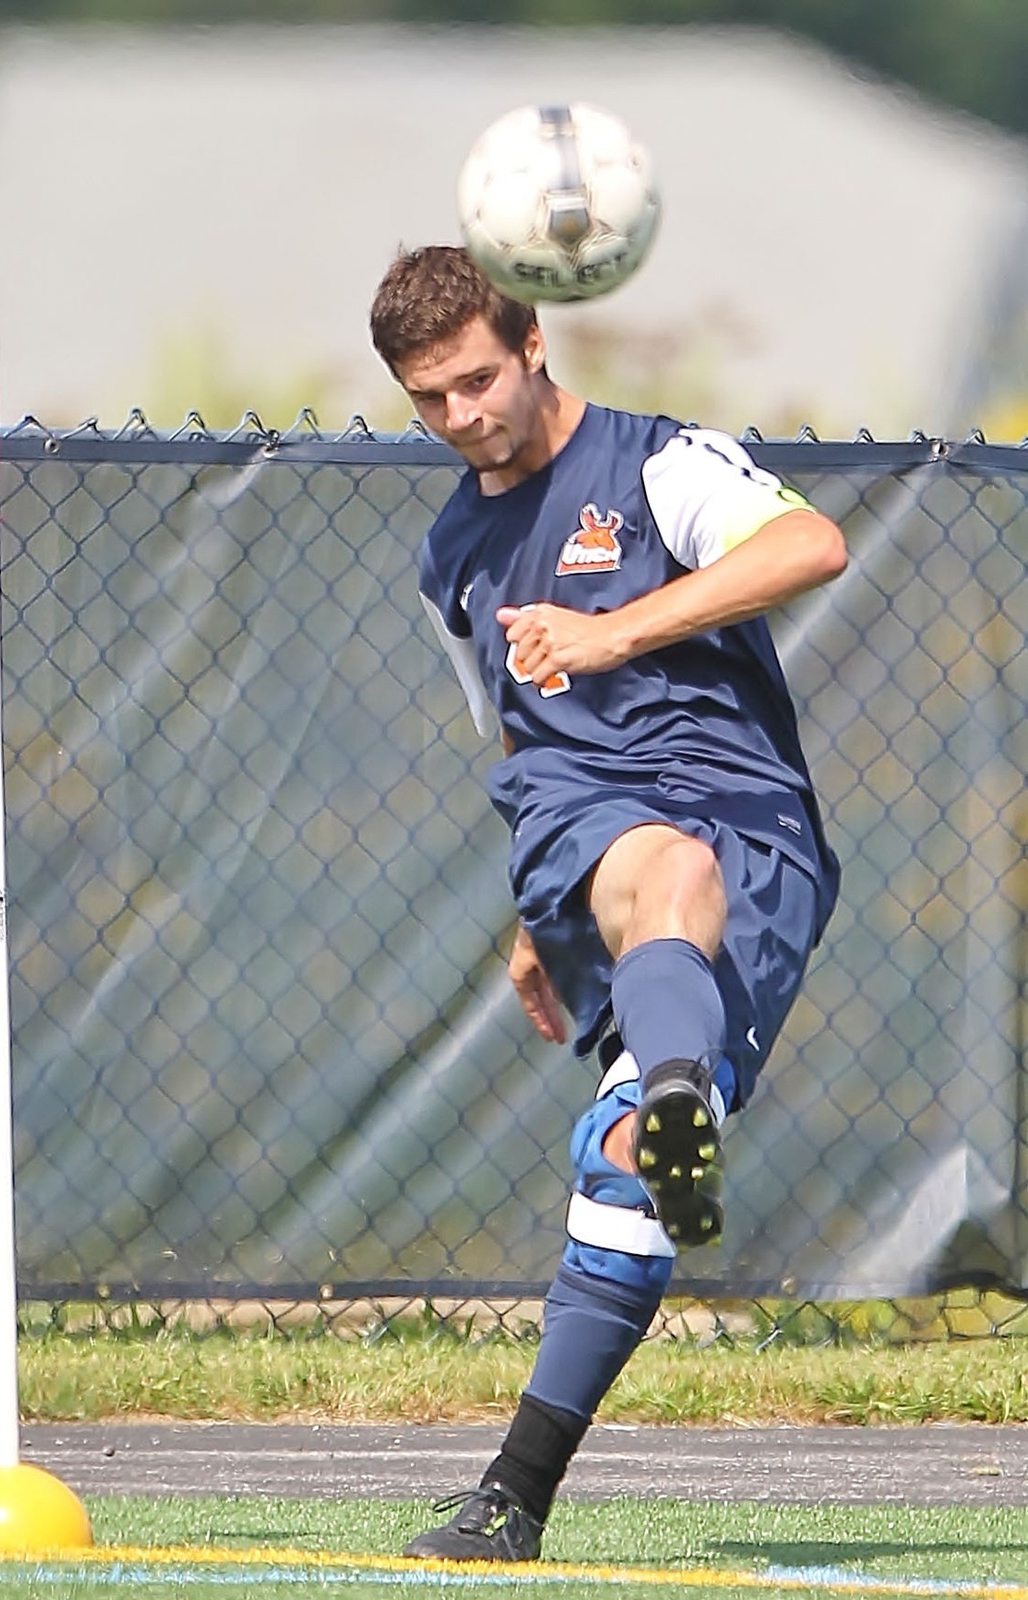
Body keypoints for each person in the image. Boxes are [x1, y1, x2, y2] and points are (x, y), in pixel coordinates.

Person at [367, 245, 846, 1564]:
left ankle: (511, 1501)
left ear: (531, 346)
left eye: (475, 381)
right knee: (658, 873)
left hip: (744, 814)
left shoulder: (655, 465)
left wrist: (616, 630)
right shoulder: (451, 556)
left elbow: (810, 541)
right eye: (428, 400)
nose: (461, 417)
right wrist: (542, 916)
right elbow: (520, 737)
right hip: (586, 812)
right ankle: (675, 1083)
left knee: (624, 1167)